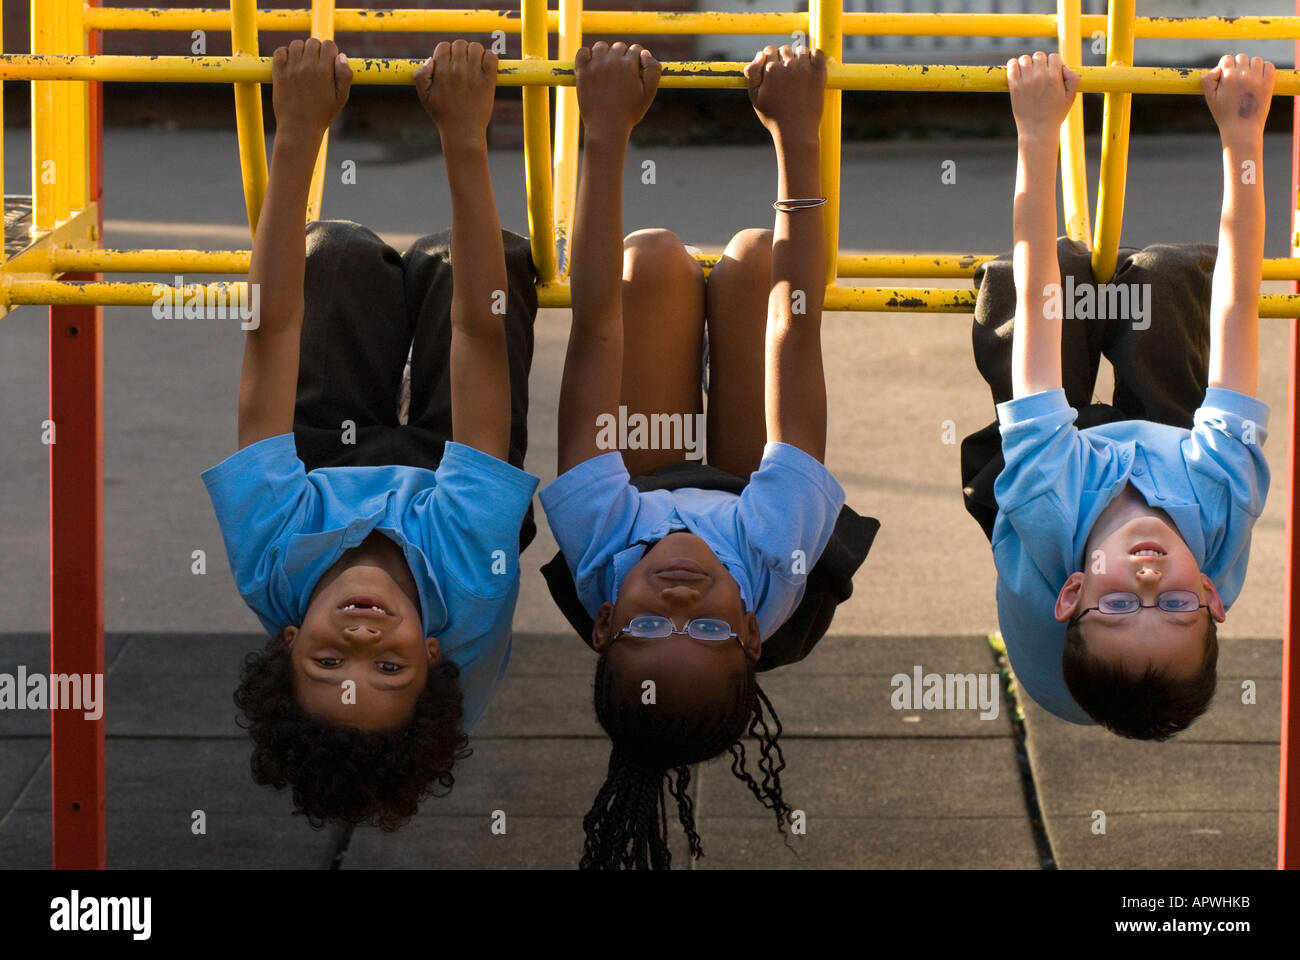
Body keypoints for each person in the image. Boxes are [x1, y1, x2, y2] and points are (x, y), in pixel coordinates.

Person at [539, 40, 878, 868]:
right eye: (707, 628)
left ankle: (677, 268)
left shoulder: (598, 548)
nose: (681, 599)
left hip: (648, 494)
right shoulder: (778, 547)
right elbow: (798, 326)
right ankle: (739, 270)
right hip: (744, 496)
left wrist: (606, 129)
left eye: (652, 624)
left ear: (606, 623)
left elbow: (595, 330)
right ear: (753, 638)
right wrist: (799, 130)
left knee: (650, 261)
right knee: (761, 265)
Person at [201, 38, 540, 829]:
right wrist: (464, 132)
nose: (361, 635)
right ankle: (434, 268)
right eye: (387, 664)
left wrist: (297, 133)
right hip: (444, 522)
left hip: (329, 479)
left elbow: (271, 331)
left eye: (329, 657)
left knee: (336, 255)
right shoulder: (471, 579)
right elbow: (481, 340)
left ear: (288, 641)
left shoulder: (269, 553)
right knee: (479, 268)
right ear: (428, 656)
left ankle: (362, 273)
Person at [959, 51, 1273, 739]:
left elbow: (1043, 308)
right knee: (1173, 274)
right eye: (1178, 605)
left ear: (1074, 593)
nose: (1152, 583)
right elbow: (1237, 308)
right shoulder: (1223, 498)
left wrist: (1037, 133)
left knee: (1049, 275)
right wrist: (1243, 138)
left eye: (1123, 604)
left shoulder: (1044, 500)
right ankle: (1144, 297)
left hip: (1063, 514)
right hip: (1167, 461)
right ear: (1213, 594)